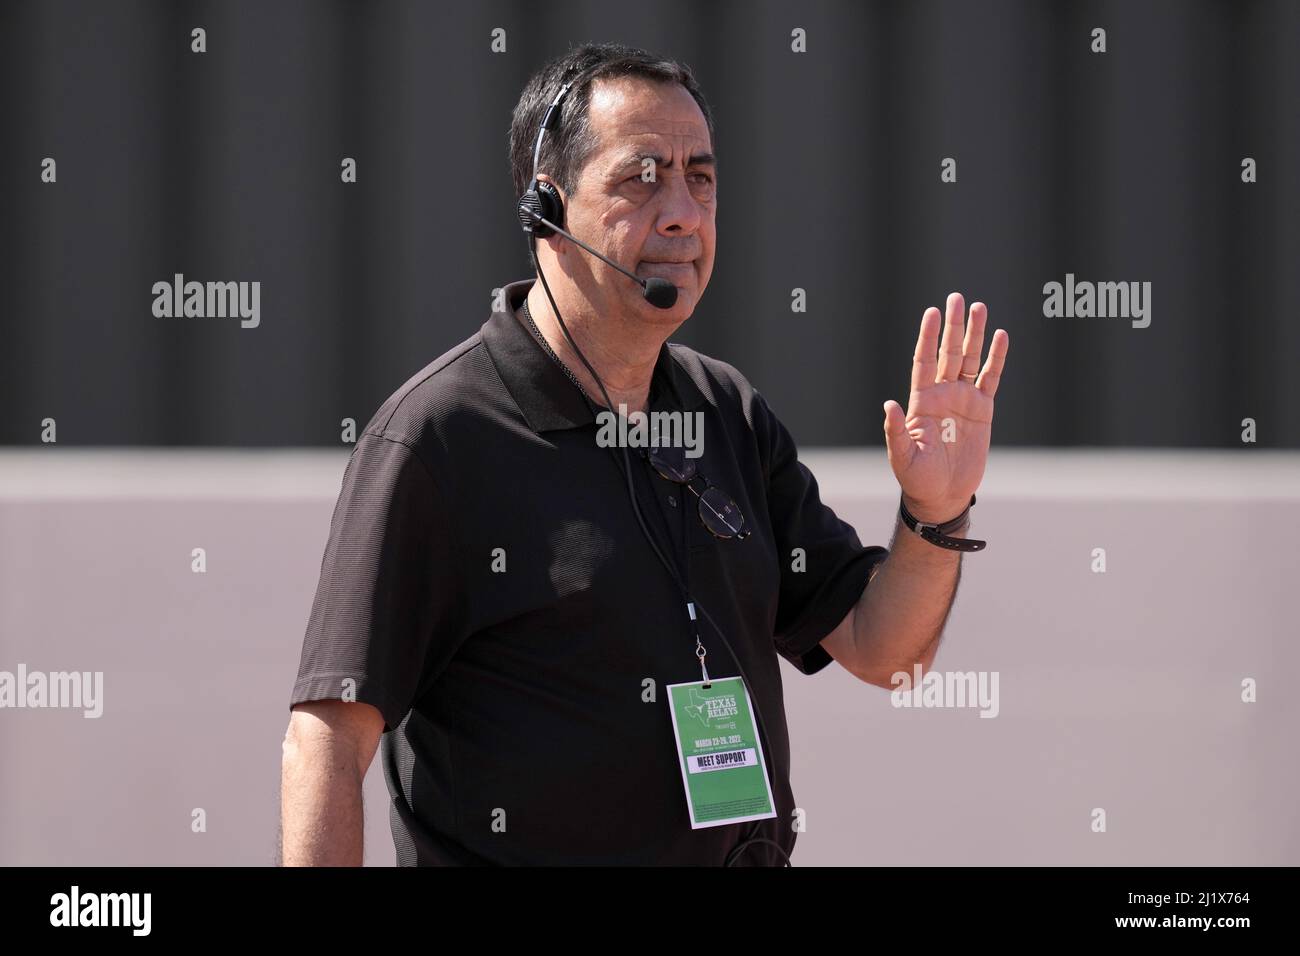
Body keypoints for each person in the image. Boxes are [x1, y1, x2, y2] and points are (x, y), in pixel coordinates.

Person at [279, 42, 1009, 867]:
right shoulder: (438, 437)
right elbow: (327, 744)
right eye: (642, 176)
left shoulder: (725, 410)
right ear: (546, 211)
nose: (683, 214)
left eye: (700, 177)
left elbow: (883, 650)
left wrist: (935, 512)